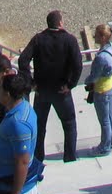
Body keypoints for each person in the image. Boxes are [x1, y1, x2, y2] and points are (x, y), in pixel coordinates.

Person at [18, 10, 83, 163]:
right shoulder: (70, 40)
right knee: (69, 124)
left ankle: (39, 159)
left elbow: (23, 60)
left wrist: (31, 82)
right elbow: (78, 65)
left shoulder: (38, 39)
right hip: (62, 91)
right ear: (60, 23)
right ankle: (70, 157)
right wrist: (70, 85)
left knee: (39, 127)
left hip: (41, 91)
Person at [86, 23, 112, 157]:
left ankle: (104, 147)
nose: (94, 37)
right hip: (110, 86)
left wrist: (87, 82)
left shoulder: (101, 58)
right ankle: (110, 143)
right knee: (110, 118)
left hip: (101, 91)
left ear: (103, 37)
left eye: (97, 35)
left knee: (104, 121)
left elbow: (93, 76)